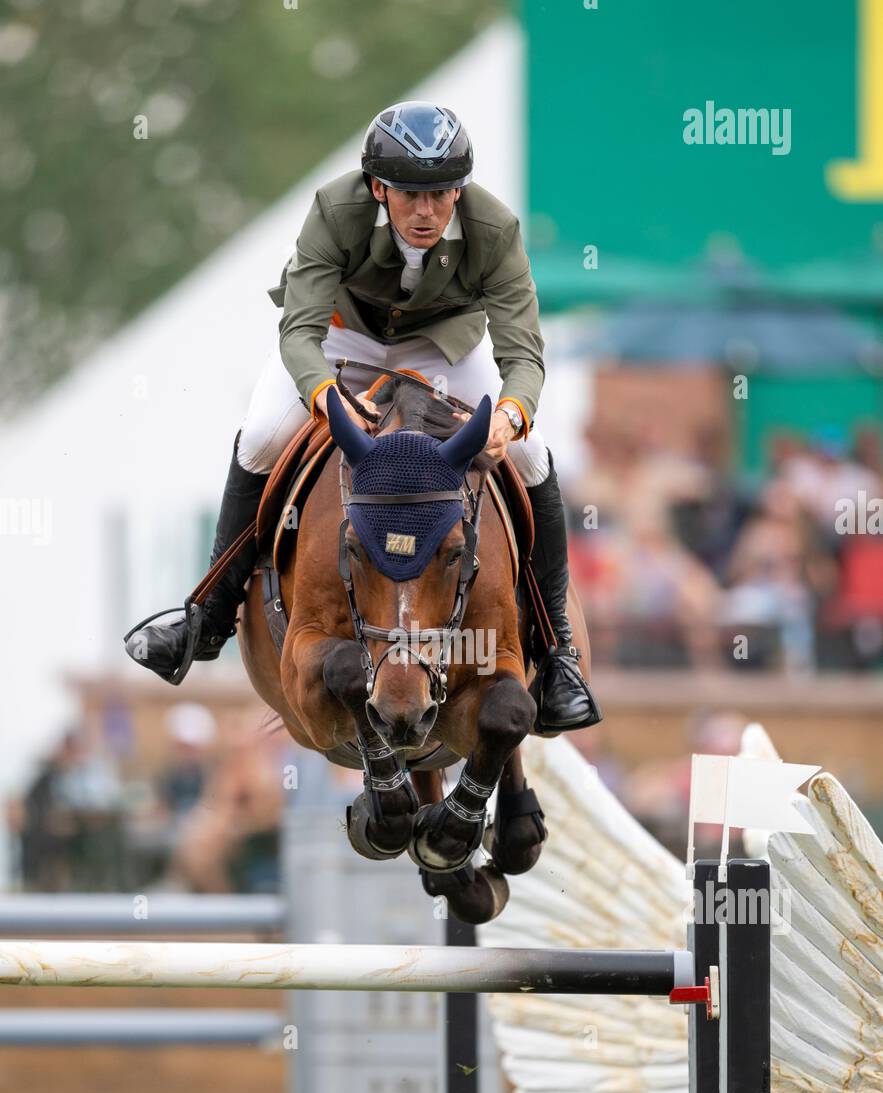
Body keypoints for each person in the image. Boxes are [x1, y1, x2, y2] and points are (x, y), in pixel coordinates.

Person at [126, 102, 597, 729]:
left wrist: (510, 418)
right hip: (338, 341)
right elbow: (298, 330)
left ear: (459, 188)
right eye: (409, 194)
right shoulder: (334, 209)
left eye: (440, 193)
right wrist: (325, 396)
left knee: (534, 456)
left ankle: (556, 649)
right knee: (263, 436)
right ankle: (206, 618)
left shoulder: (496, 228)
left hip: (443, 348)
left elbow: (524, 353)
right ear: (379, 188)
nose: (426, 211)